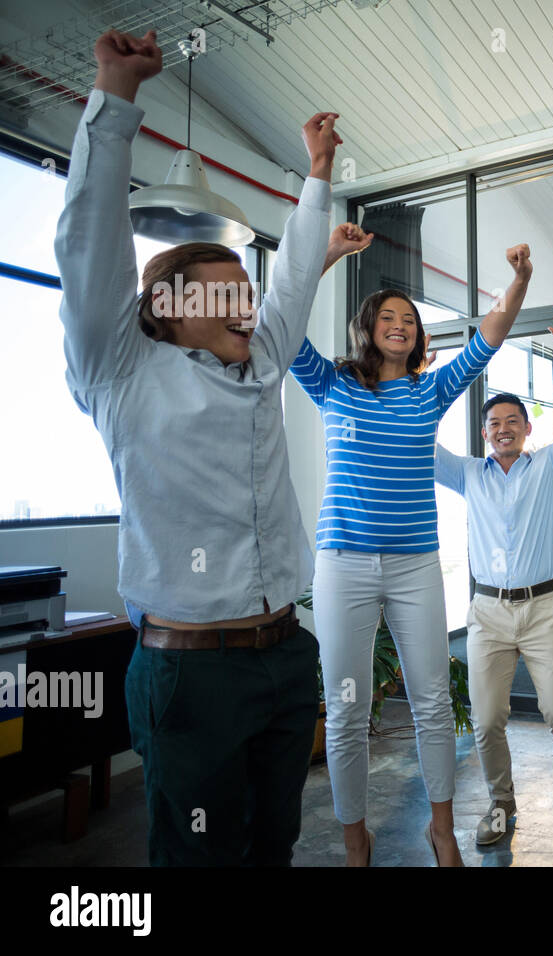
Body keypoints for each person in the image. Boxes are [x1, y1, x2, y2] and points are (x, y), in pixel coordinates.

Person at [56, 27, 338, 865]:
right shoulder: (121, 372)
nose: (249, 305)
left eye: (247, 292)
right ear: (164, 306)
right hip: (190, 676)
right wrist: (115, 96)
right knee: (199, 856)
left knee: (272, 846)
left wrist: (317, 173)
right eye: (224, 292)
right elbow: (89, 248)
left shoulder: (259, 367)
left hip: (285, 656)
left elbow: (292, 277)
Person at [290, 242, 534, 866]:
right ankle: (354, 840)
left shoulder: (430, 391)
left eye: (410, 320)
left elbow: (491, 333)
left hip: (415, 563)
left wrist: (520, 278)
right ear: (368, 328)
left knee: (430, 702)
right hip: (342, 562)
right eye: (387, 318)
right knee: (346, 709)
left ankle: (443, 830)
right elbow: (283, 317)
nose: (400, 326)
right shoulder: (333, 383)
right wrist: (319, 256)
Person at [435, 302, 553, 845]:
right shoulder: (468, 474)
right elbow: (420, 443)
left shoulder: (551, 465)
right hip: (486, 612)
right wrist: (417, 382)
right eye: (494, 423)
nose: (503, 429)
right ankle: (499, 803)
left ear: (527, 429)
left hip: (542, 610)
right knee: (486, 721)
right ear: (485, 433)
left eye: (513, 421)